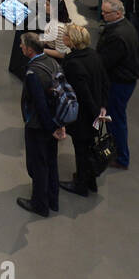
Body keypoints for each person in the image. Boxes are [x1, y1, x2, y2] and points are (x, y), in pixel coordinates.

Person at [51, 23, 108, 196]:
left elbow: (80, 94)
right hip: (96, 113)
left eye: (66, 36)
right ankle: (90, 181)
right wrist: (102, 109)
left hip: (84, 117)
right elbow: (105, 83)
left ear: (72, 40)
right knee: (90, 146)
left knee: (81, 149)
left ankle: (81, 185)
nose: (63, 38)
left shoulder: (73, 63)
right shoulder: (94, 55)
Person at [16, 29, 66, 217]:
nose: (20, 46)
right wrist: (59, 123)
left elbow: (40, 103)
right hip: (54, 120)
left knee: (38, 165)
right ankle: (53, 200)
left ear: (29, 50)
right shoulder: (53, 63)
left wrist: (50, 127)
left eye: (22, 45)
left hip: (39, 126)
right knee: (51, 161)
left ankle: (39, 204)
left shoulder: (32, 72)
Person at [96, 0, 139, 169]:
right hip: (124, 80)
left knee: (115, 119)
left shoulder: (117, 36)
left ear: (118, 13)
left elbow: (105, 61)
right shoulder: (125, 27)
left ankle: (121, 157)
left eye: (106, 13)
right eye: (102, 11)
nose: (103, 15)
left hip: (119, 83)